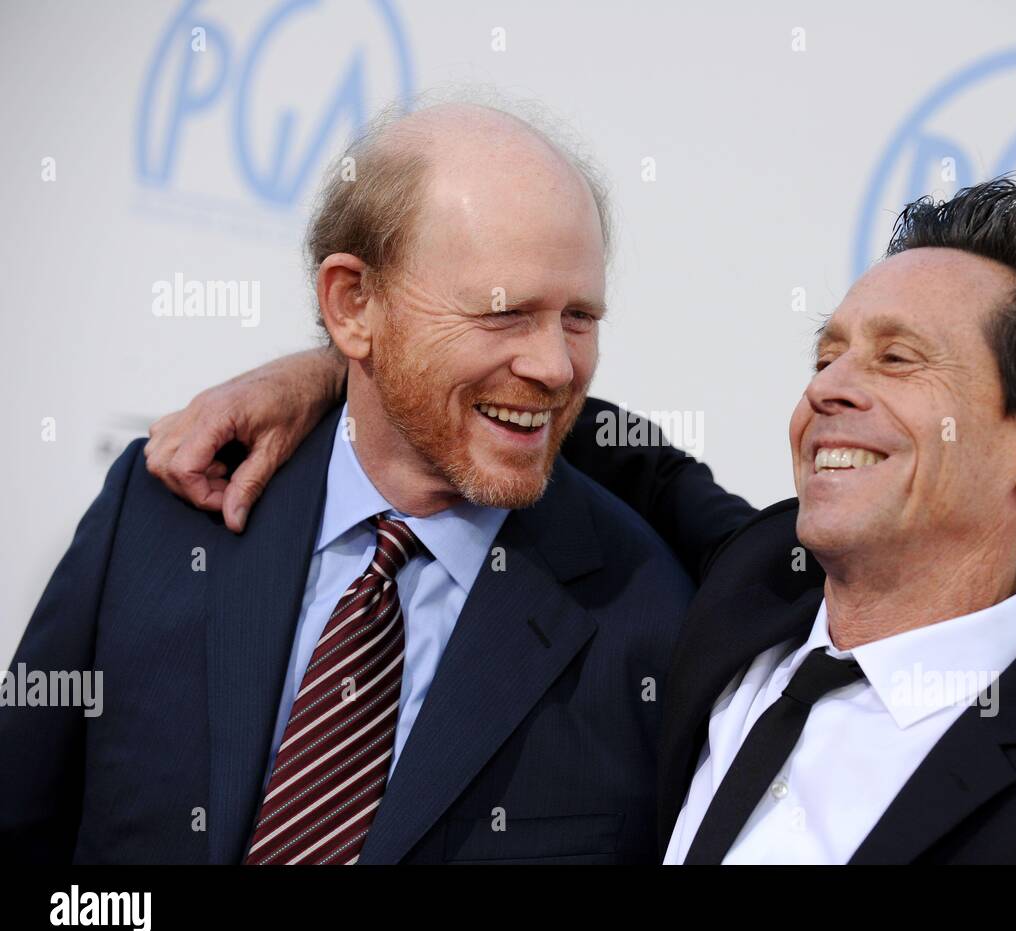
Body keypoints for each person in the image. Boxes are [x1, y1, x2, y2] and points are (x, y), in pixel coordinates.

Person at [140, 174, 1016, 858]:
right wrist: (332, 366)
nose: (829, 390)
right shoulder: (744, 579)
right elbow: (544, 412)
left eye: (897, 359)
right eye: (825, 354)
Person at [0, 102, 695, 864]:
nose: (557, 368)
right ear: (352, 304)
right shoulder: (160, 512)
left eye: (578, 318)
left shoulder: (654, 625)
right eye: (506, 314)